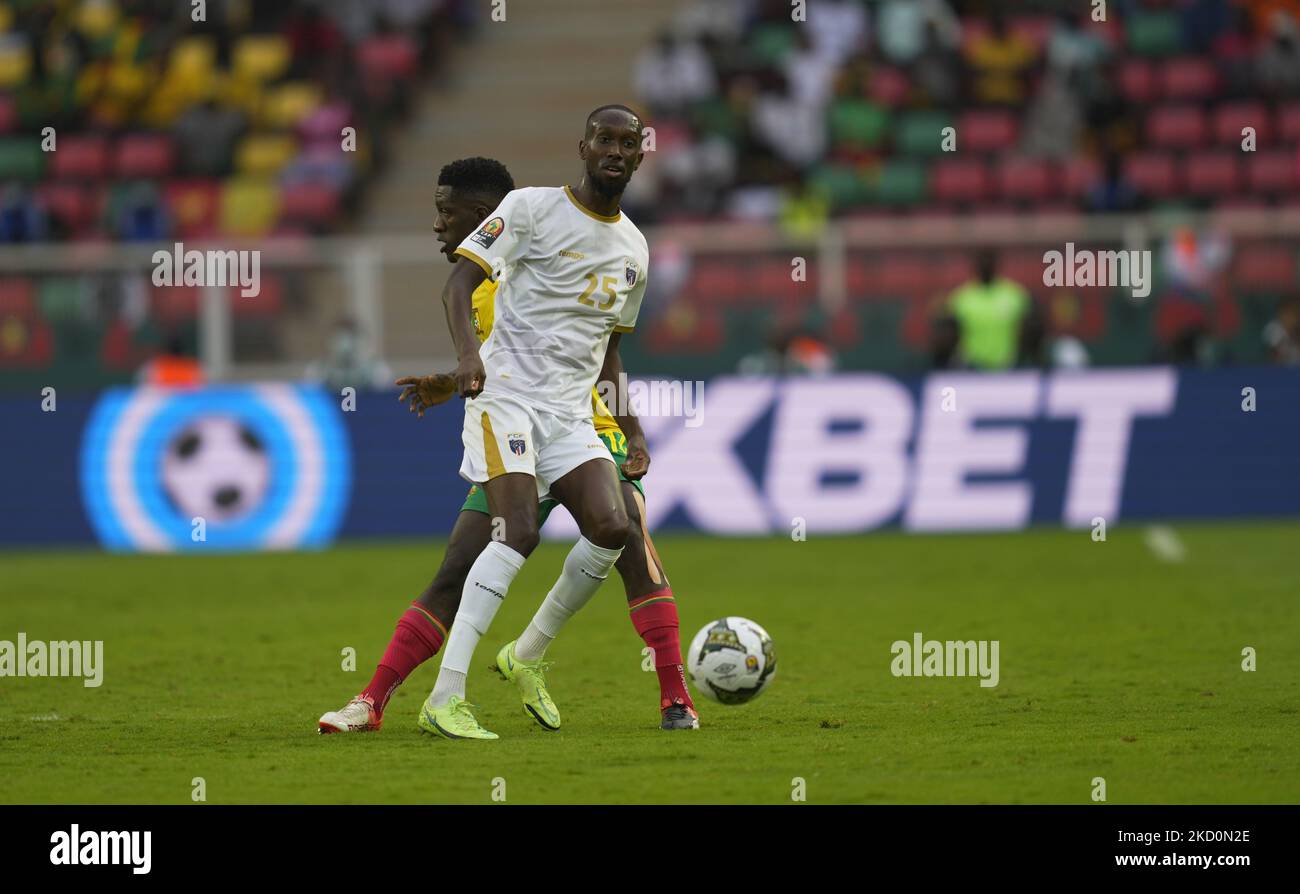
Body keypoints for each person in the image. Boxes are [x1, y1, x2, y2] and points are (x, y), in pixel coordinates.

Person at [418, 106, 657, 740]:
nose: (615, 150)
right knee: (517, 531)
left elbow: (610, 353)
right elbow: (457, 285)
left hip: (571, 411)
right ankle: (445, 696)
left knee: (612, 526)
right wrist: (467, 358)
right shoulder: (529, 208)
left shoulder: (635, 249)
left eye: (627, 142)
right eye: (604, 139)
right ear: (583, 147)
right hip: (507, 397)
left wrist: (632, 431)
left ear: (640, 156)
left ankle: (525, 654)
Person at [948, 250, 1032, 370]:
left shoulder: (1014, 295)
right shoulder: (962, 298)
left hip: (1009, 364)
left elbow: (1028, 329)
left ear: (995, 266)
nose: (985, 267)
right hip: (972, 365)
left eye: (989, 263)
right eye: (982, 264)